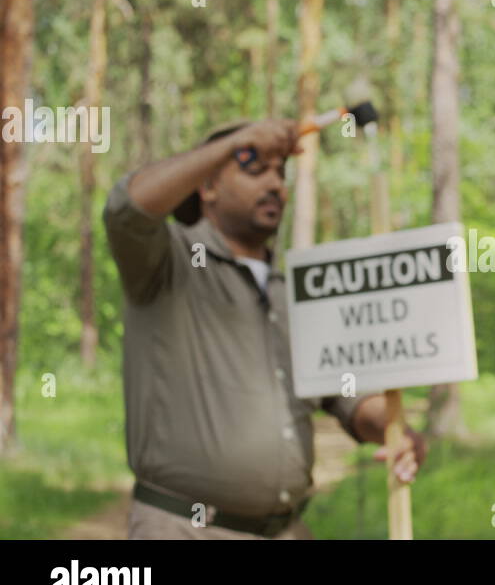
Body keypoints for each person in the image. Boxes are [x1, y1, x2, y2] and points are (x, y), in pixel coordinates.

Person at [103, 119, 426, 539]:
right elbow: (126, 209)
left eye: (281, 173)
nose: (275, 183)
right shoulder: (169, 263)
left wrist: (395, 427)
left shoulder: (293, 292)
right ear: (208, 188)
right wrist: (234, 142)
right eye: (255, 169)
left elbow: (347, 395)